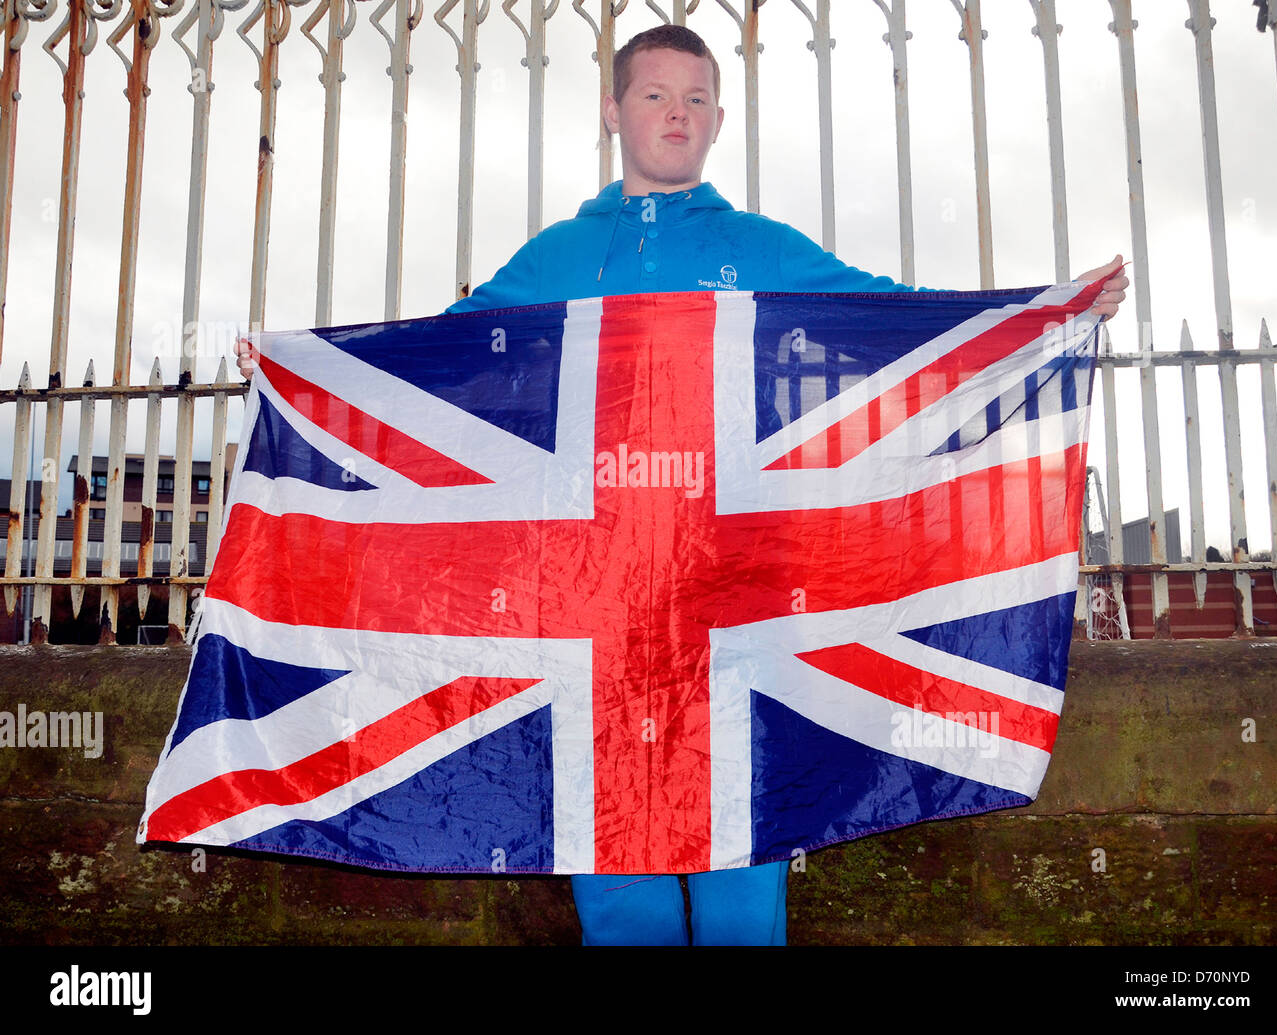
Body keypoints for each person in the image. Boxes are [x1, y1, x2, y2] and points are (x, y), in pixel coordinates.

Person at [237, 24, 1128, 946]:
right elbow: (437, 359)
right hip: (598, 620)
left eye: (696, 100)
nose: (677, 114)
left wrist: (1047, 312)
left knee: (744, 885)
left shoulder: (764, 249)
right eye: (656, 95)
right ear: (615, 111)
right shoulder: (556, 259)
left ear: (718, 121)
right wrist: (298, 371)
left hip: (736, 609)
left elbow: (897, 321)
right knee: (623, 898)